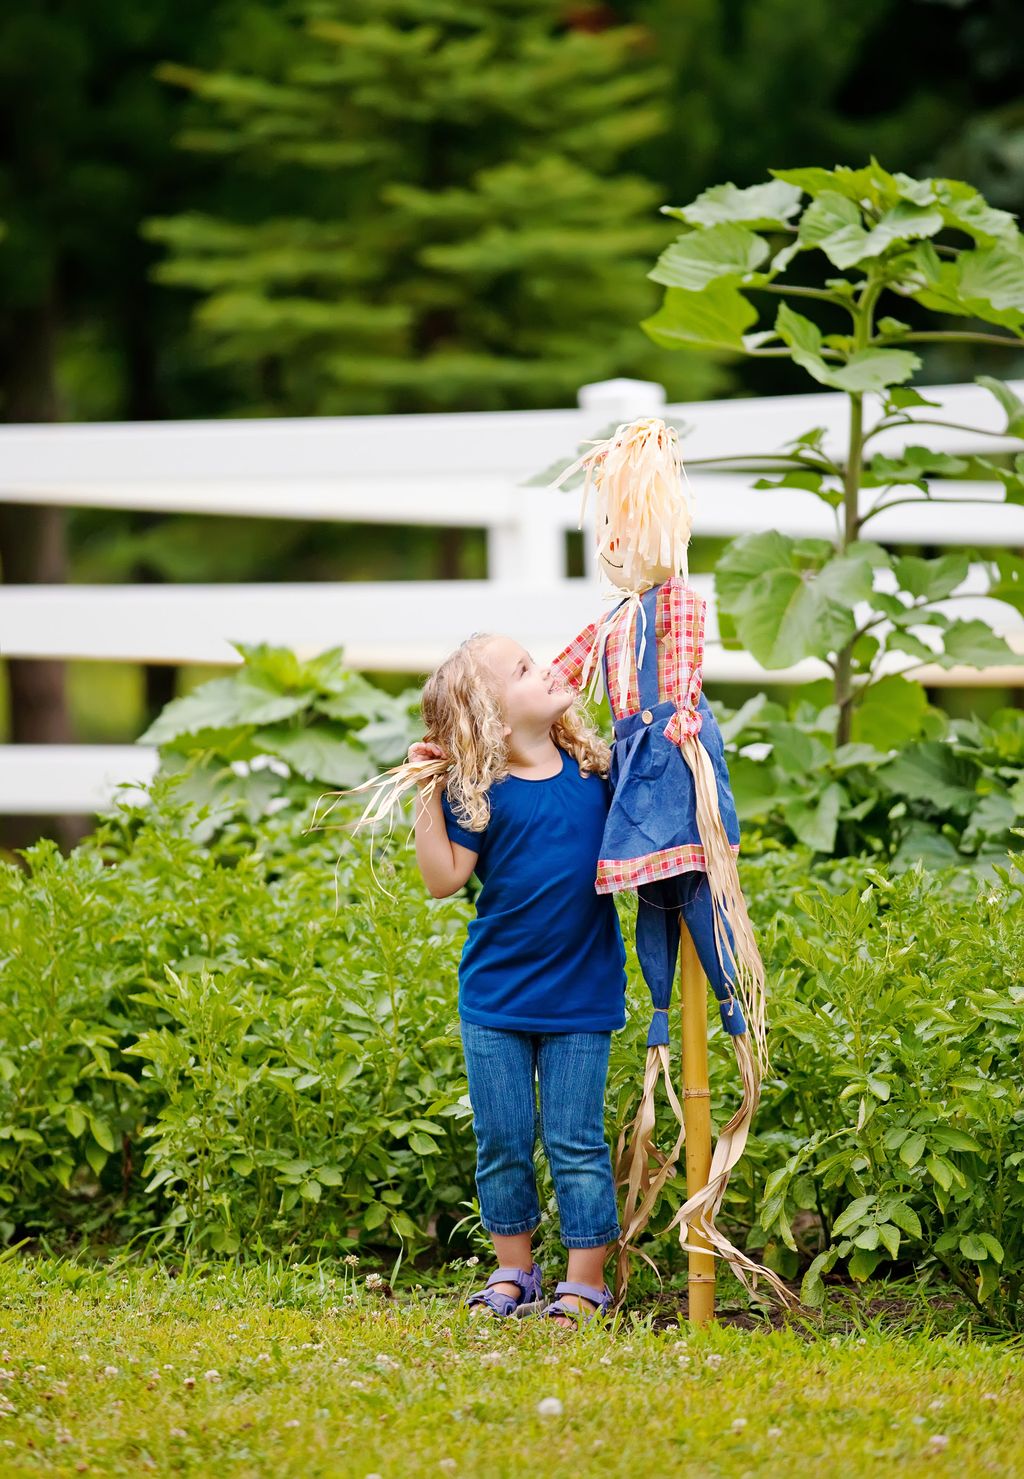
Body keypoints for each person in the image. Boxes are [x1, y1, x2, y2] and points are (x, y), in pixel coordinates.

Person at [404, 631, 628, 1328]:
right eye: (527, 669)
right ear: (497, 721)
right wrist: (425, 791)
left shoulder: (597, 774)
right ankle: (516, 1269)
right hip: (496, 998)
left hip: (581, 996)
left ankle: (584, 1281)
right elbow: (444, 880)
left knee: (575, 1139)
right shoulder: (480, 792)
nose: (552, 666)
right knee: (503, 1136)